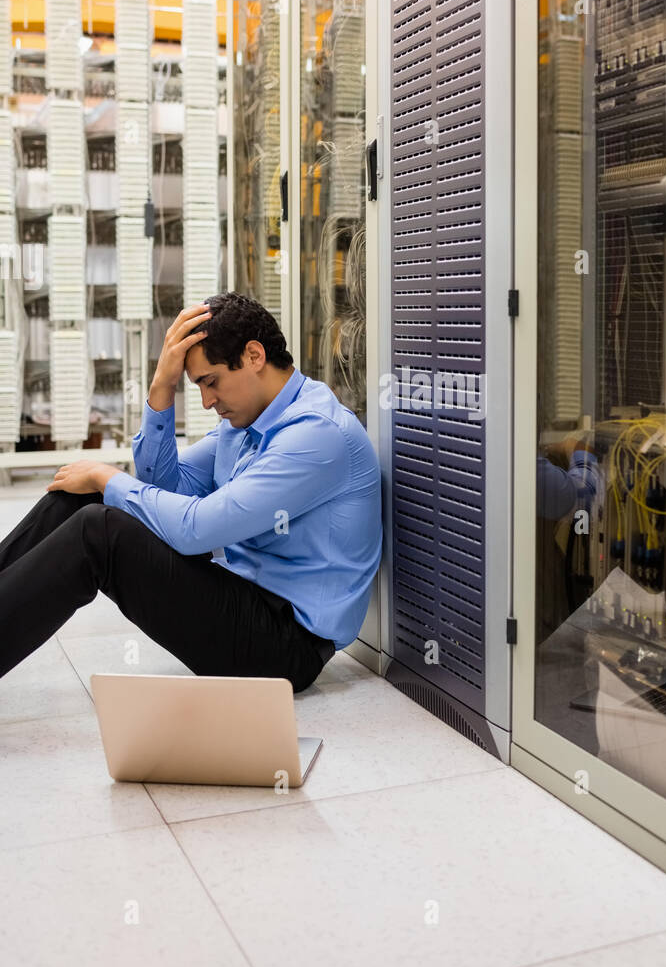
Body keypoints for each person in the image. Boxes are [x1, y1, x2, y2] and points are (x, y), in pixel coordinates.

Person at [0, 294, 383, 693]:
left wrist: (106, 476)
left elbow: (197, 530)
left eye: (210, 381)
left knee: (98, 529)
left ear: (254, 356)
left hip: (286, 646)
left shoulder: (314, 434)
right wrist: (161, 386)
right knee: (82, 497)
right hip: (241, 598)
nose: (206, 401)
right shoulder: (245, 422)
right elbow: (164, 486)